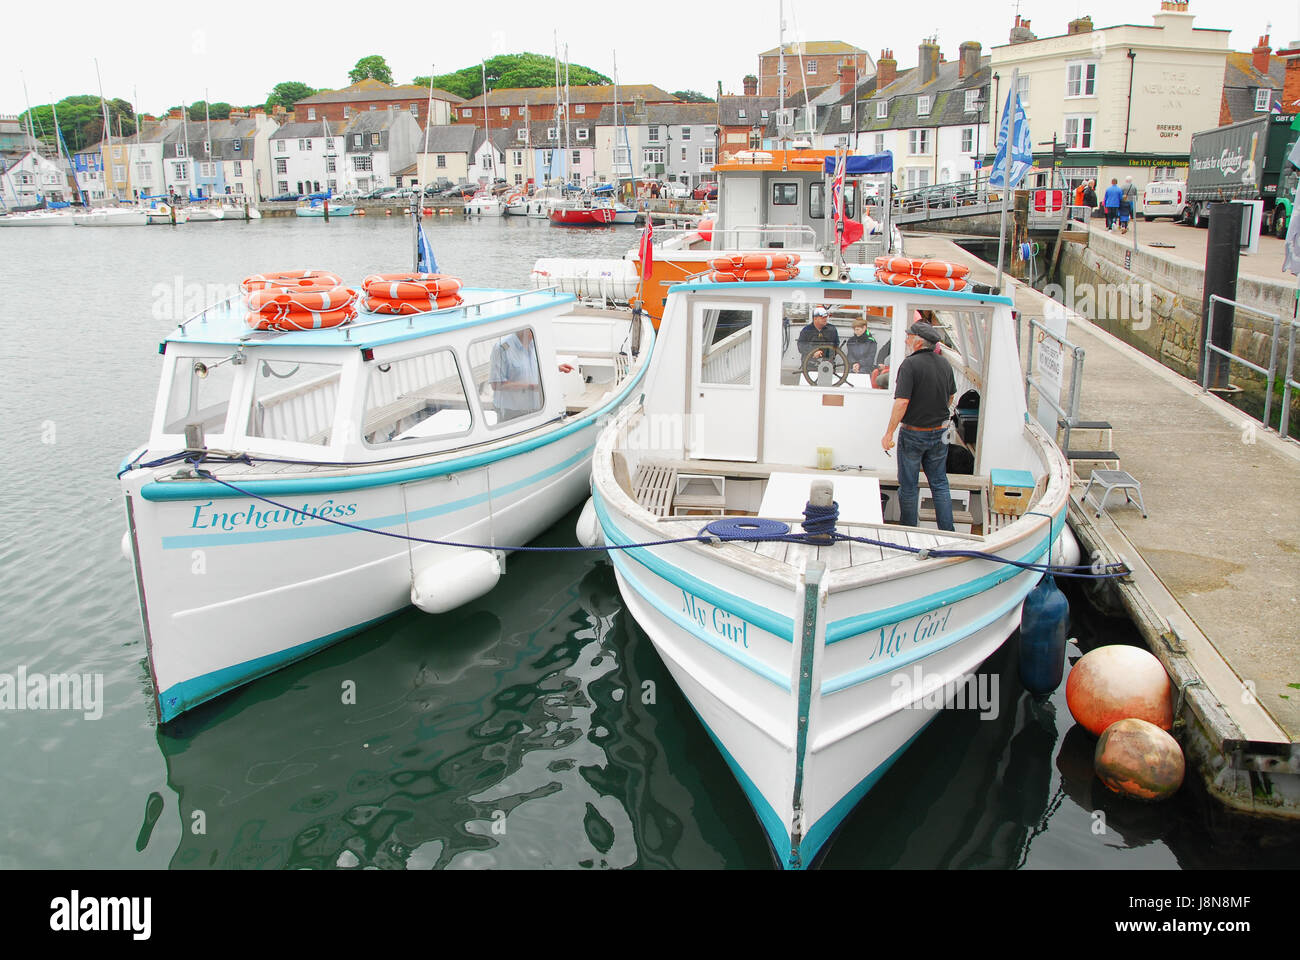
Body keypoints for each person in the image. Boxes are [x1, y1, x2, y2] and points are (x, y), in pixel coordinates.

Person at [881, 320, 957, 531]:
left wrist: (889, 433)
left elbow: (902, 402)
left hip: (914, 435)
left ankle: (909, 531)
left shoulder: (910, 365)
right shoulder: (945, 364)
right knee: (940, 484)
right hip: (940, 433)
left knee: (909, 487)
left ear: (918, 341)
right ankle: (947, 532)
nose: (906, 339)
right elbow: (951, 396)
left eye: (909, 336)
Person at [489, 328, 545, 421]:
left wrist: (557, 368)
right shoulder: (502, 348)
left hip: (536, 409)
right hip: (511, 413)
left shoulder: (535, 344)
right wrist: (531, 387)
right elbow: (496, 384)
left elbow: (534, 369)